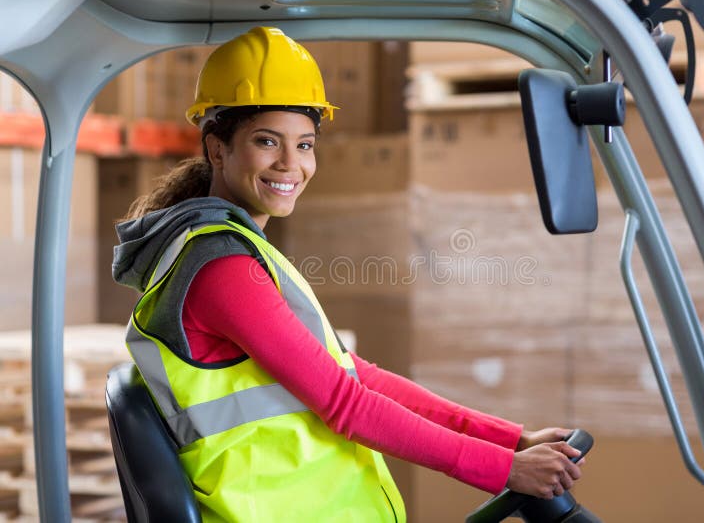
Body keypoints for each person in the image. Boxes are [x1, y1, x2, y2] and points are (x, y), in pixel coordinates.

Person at [112, 26, 584, 522]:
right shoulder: (220, 268)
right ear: (217, 149)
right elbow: (346, 403)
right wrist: (503, 468)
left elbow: (359, 377)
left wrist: (510, 440)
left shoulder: (232, 250)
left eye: (305, 144)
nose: (291, 164)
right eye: (267, 141)